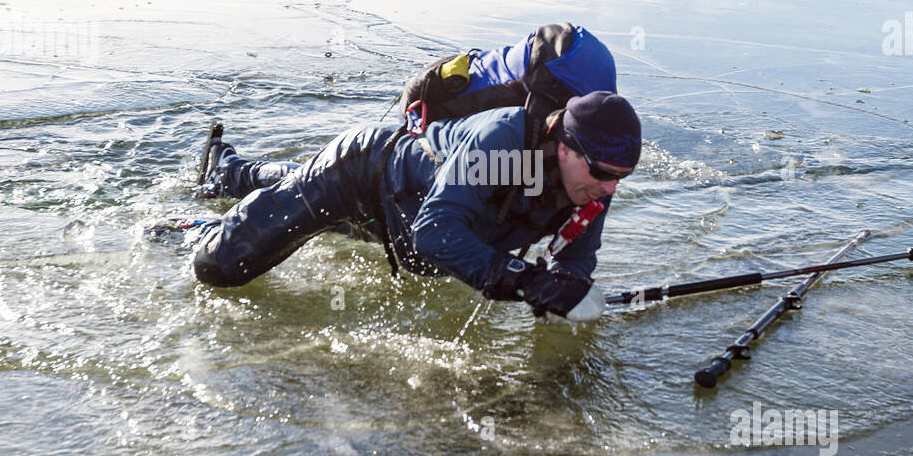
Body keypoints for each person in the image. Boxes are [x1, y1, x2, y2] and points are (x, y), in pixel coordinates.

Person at [191, 89, 641, 322]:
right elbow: (435, 230)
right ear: (564, 147)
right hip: (359, 177)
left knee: (294, 191)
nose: (611, 189)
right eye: (603, 172)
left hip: (394, 218)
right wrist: (523, 281)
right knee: (217, 267)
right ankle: (193, 220)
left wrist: (567, 289)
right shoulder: (507, 150)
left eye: (622, 178)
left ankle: (236, 172)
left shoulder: (589, 191)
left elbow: (575, 263)